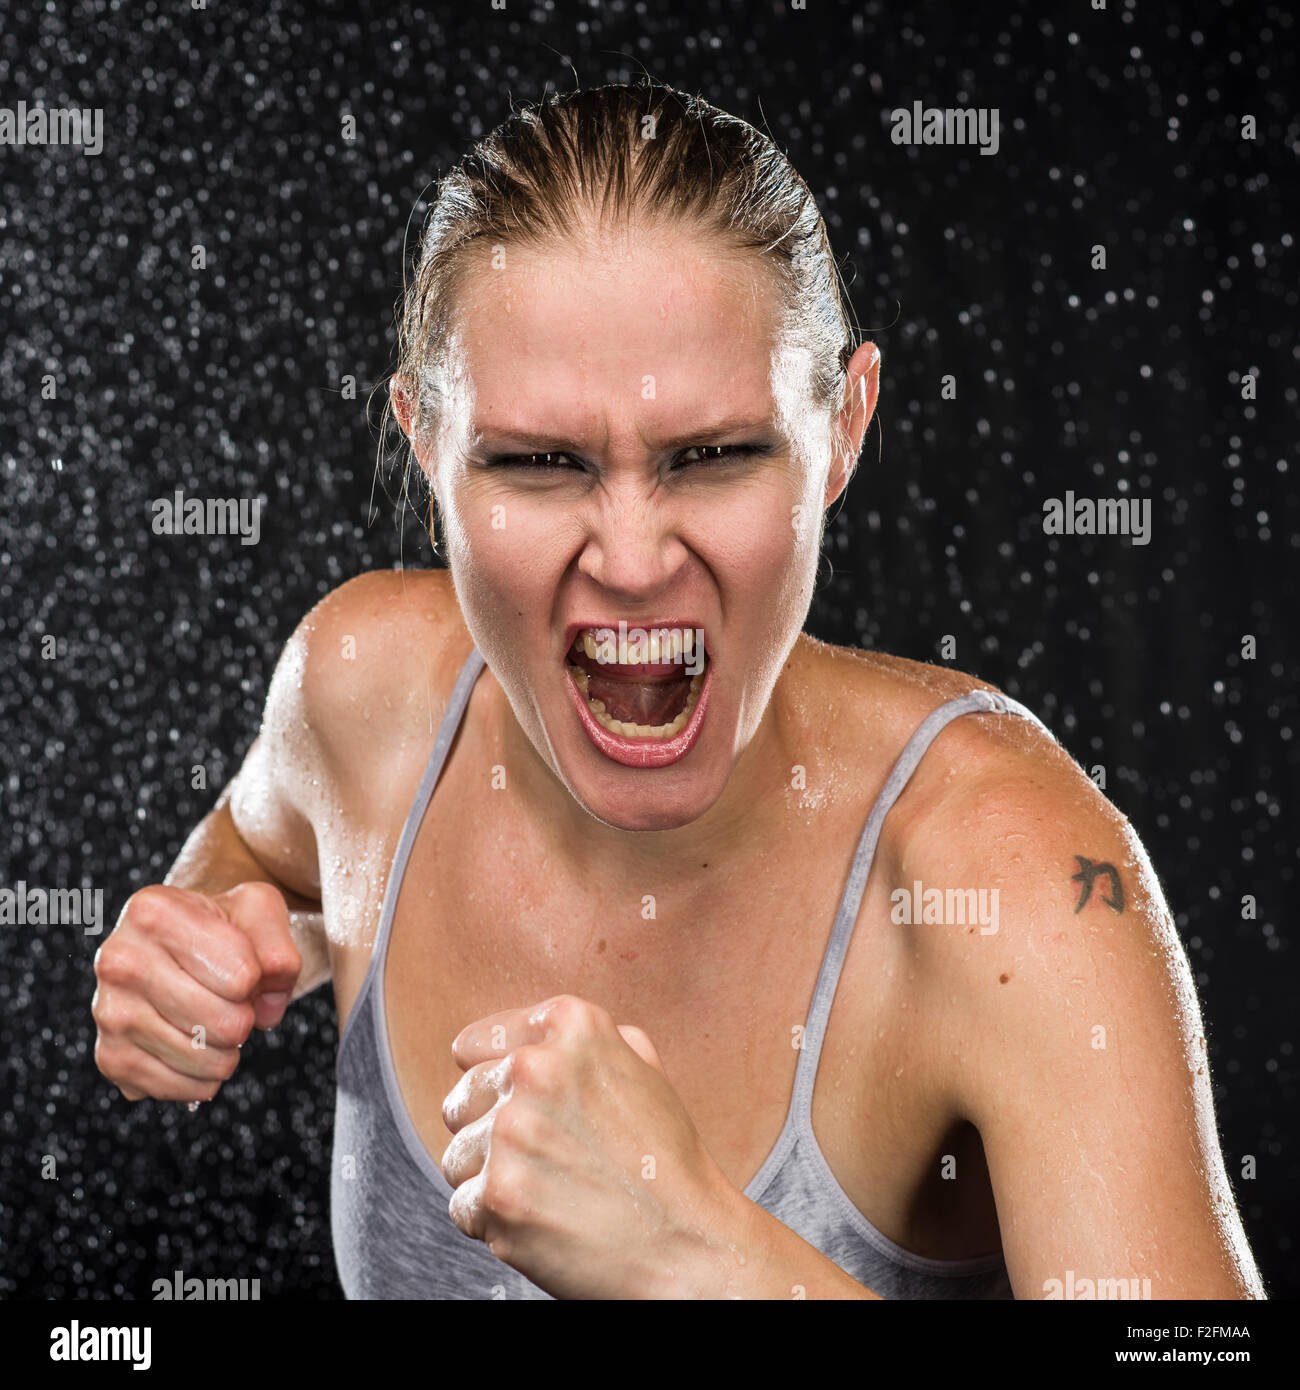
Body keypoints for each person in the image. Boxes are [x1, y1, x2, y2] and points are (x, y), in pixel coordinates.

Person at [91, 80, 1264, 1300]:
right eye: (539, 463)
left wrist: (701, 1259)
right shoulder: (364, 685)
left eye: (712, 456)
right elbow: (258, 857)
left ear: (844, 427)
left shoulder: (1018, 886)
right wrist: (197, 940)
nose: (634, 559)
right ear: (426, 442)